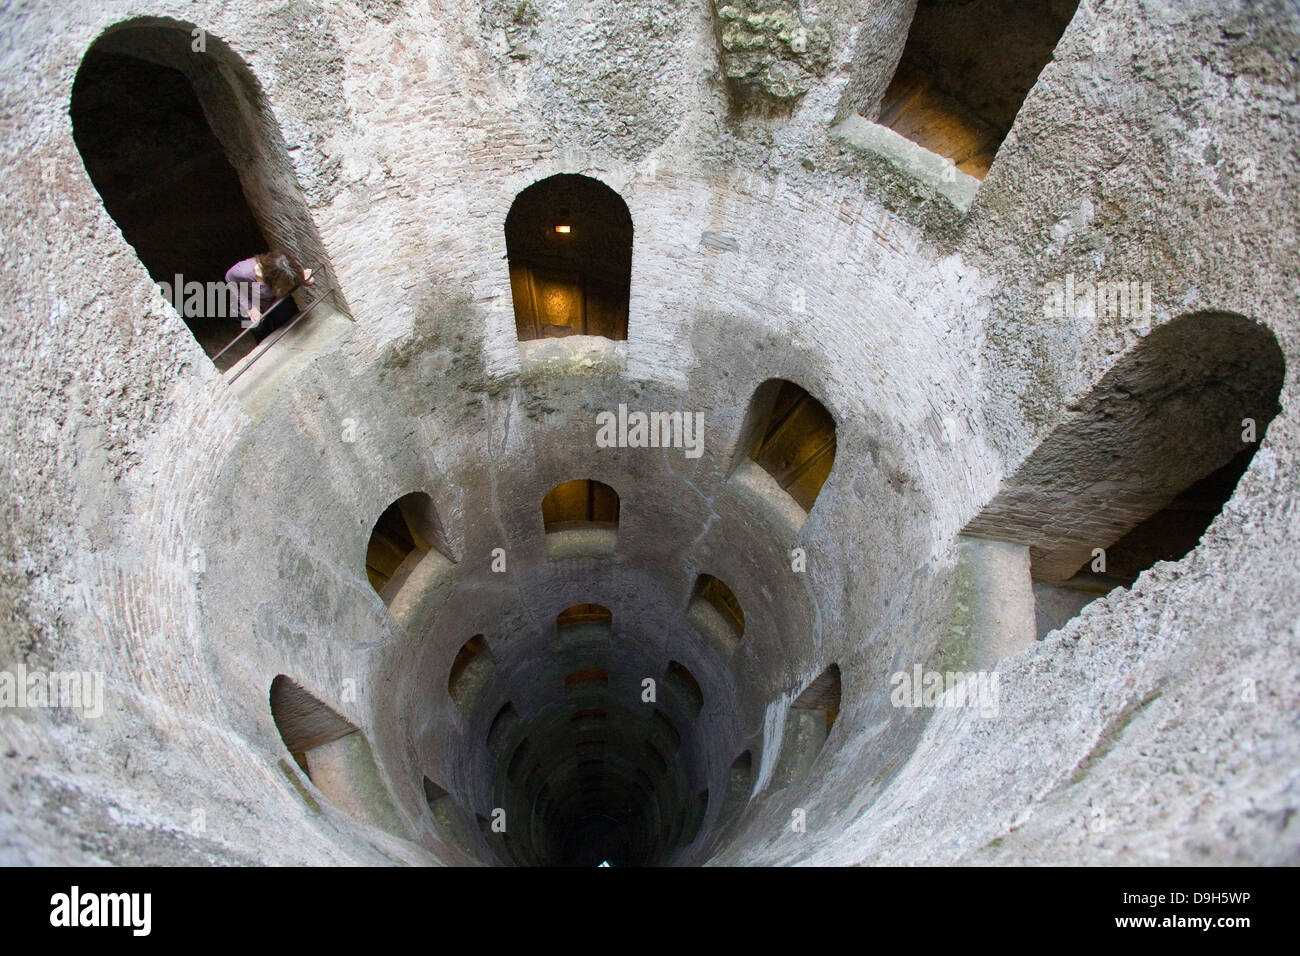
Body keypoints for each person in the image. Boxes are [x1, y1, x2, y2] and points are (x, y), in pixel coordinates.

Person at [224, 252, 314, 342]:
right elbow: (230, 280)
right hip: (253, 301)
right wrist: (250, 307)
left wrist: (305, 279)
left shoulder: (287, 265)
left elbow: (298, 277)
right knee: (259, 328)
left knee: (287, 322)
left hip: (275, 300)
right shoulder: (243, 272)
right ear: (271, 279)